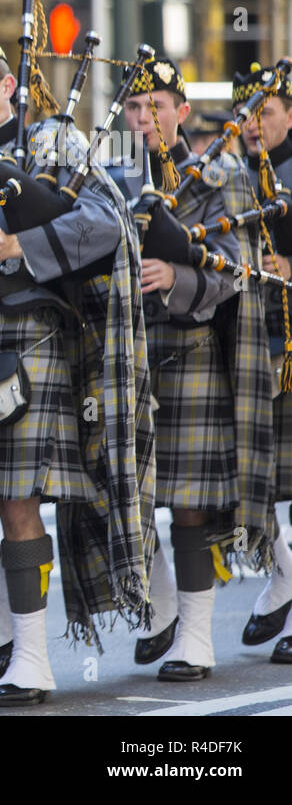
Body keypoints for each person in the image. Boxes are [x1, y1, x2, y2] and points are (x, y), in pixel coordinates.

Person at [0, 30, 151, 707]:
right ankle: (5, 625)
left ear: (9, 86)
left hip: (34, 337)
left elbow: (112, 223)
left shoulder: (55, 144)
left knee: (18, 498)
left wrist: (22, 241)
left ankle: (34, 659)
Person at [113, 58, 271, 682]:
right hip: (123, 353)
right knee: (123, 492)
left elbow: (237, 266)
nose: (144, 117)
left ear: (181, 110)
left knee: (190, 506)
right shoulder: (109, 179)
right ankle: (165, 607)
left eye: (156, 103)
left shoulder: (222, 175)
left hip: (194, 349)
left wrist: (177, 276)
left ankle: (198, 639)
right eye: (132, 107)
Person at [231, 63, 292, 665]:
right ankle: (284, 575)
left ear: (290, 116)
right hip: (254, 345)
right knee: (254, 481)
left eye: (265, 112)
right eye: (244, 114)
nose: (253, 125)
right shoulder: (229, 175)